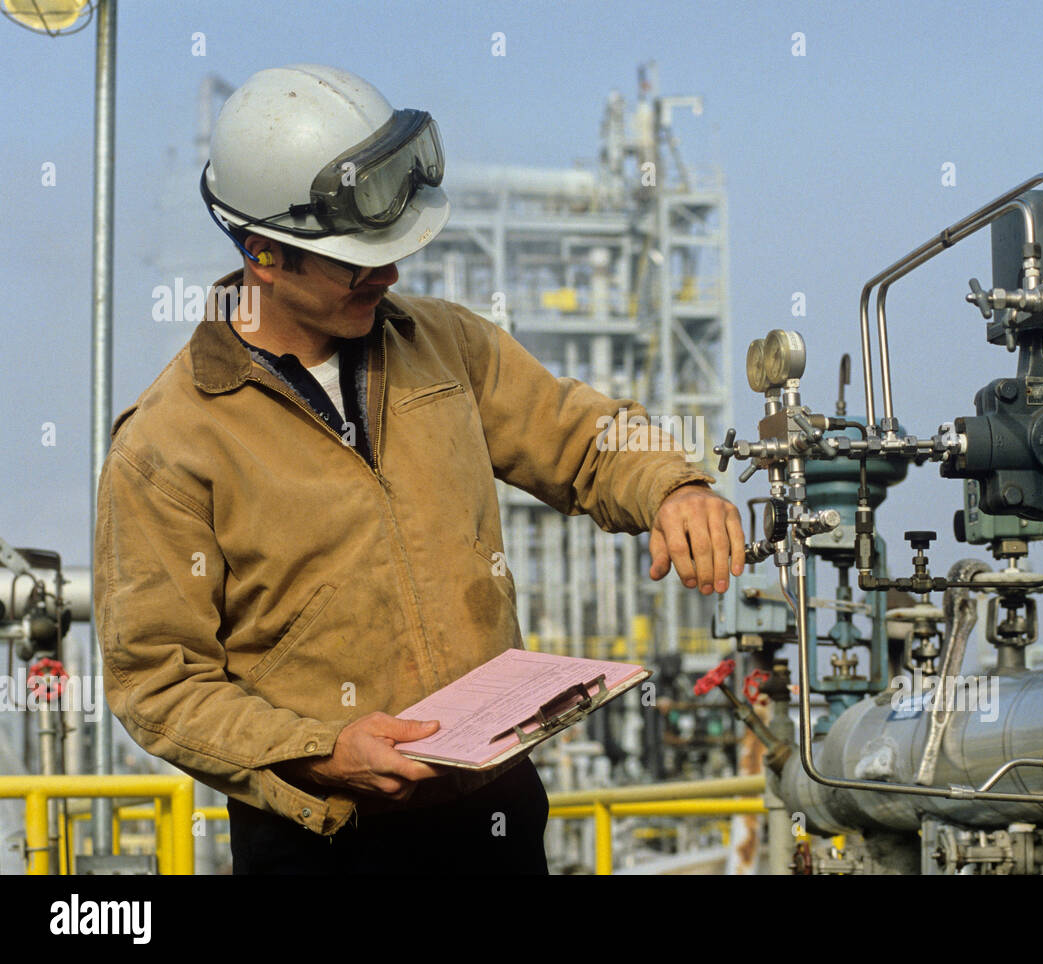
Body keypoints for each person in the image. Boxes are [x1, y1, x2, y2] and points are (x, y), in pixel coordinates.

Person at [93, 64, 746, 874]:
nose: (391, 274)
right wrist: (322, 750)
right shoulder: (168, 446)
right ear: (265, 254)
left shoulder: (445, 346)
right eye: (358, 261)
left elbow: (581, 437)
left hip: (494, 817)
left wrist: (674, 484)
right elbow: (160, 684)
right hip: (323, 841)